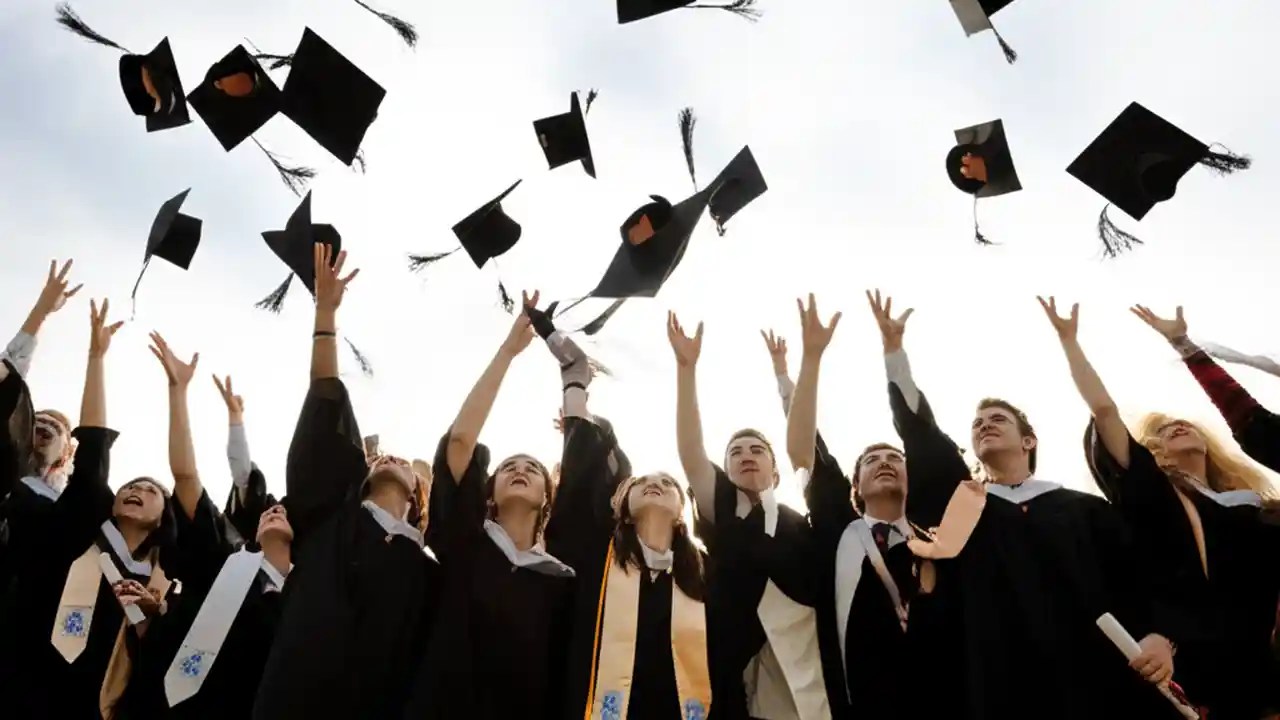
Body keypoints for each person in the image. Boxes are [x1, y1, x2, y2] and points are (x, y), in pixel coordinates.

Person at [869, 289, 1182, 720]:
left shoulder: (1085, 510)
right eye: (977, 424)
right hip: (999, 689)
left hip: (1100, 687)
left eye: (998, 420)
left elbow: (1139, 580)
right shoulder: (963, 511)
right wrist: (894, 353)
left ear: (1029, 441)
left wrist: (1159, 637)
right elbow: (921, 434)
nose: (984, 426)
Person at [1056, 300, 1280, 719]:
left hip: (1265, 661)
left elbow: (1249, 415)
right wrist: (1070, 343)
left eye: (1185, 423)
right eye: (1162, 431)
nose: (1177, 426)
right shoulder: (1158, 493)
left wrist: (1185, 342)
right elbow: (1105, 412)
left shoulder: (1260, 506)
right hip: (1198, 659)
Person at [252, 244, 440, 720]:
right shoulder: (330, 520)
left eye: (403, 461)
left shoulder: (430, 570)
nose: (392, 456)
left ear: (421, 500)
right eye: (382, 457)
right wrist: (325, 317)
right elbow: (324, 404)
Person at [401, 292, 576, 720]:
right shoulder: (466, 543)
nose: (520, 469)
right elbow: (460, 443)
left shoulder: (562, 584)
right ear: (489, 495)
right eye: (509, 467)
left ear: (547, 500)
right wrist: (508, 353)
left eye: (532, 468)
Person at [4, 298, 177, 718]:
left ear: (163, 518)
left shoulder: (161, 584)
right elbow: (95, 443)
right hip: (19, 676)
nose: (134, 489)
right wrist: (96, 356)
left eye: (149, 489)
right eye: (130, 484)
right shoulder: (76, 524)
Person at [540, 309, 711, 720]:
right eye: (642, 482)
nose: (655, 484)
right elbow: (583, 470)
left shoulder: (704, 576)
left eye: (667, 483)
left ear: (682, 513)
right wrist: (575, 382)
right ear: (622, 508)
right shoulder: (595, 556)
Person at [669, 308, 828, 719]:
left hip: (805, 666)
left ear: (776, 469)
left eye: (757, 449)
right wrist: (686, 370)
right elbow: (691, 452)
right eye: (735, 452)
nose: (746, 456)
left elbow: (807, 442)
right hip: (737, 667)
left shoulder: (798, 521)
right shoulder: (722, 507)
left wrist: (786, 373)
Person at [123, 337, 289, 720]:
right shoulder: (223, 564)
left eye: (283, 511)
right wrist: (178, 391)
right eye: (268, 510)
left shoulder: (306, 599)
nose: (274, 511)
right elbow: (185, 476)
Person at [783, 294, 925, 720]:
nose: (885, 462)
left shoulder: (937, 540)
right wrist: (810, 360)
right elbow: (805, 448)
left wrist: (894, 354)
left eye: (895, 458)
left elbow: (923, 431)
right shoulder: (838, 531)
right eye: (872, 460)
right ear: (856, 487)